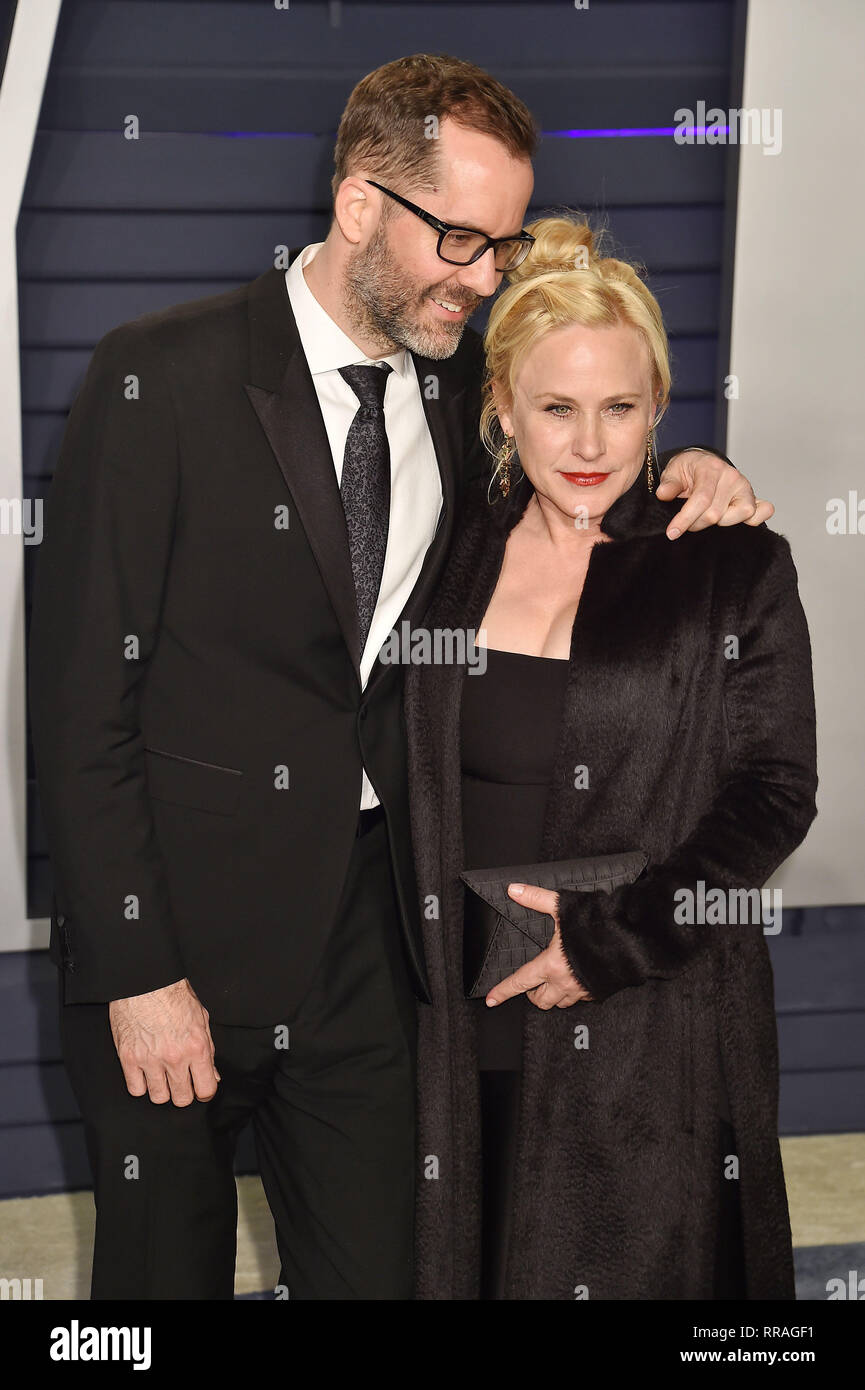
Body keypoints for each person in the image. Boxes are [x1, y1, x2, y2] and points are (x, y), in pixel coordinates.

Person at [28, 54, 770, 1301]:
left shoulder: (458, 393)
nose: (483, 277)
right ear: (360, 204)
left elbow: (580, 444)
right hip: (179, 959)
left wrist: (692, 466)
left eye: (503, 243)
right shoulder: (161, 375)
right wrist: (139, 973)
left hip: (378, 966)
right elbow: (78, 709)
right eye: (461, 240)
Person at [404, 215, 817, 1301]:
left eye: (620, 408)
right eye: (555, 407)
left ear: (657, 410)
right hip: (457, 1032)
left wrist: (615, 942)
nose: (589, 444)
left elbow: (773, 795)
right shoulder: (444, 550)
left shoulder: (727, 564)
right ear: (501, 408)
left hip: (651, 1027)